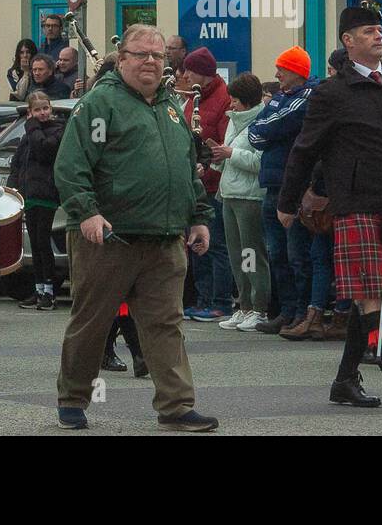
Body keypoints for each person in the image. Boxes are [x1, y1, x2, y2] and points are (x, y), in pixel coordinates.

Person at [52, 24, 216, 432]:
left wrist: (197, 215)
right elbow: (71, 166)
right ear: (121, 58)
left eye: (158, 56)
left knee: (166, 325)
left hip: (164, 239)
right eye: (141, 54)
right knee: (93, 322)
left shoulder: (171, 107)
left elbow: (185, 167)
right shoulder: (98, 104)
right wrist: (86, 212)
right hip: (108, 237)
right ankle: (72, 400)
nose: (150, 62)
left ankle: (176, 407)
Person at [278, 4, 382, 413]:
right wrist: (287, 201)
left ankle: (345, 381)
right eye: (368, 31)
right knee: (371, 296)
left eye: (380, 30)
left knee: (368, 298)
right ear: (348, 41)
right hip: (354, 204)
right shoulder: (331, 93)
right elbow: (305, 149)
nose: (379, 36)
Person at [248, 47, 319, 334]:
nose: (276, 74)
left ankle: (303, 312)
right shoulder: (279, 97)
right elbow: (254, 132)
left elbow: (277, 124)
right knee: (275, 252)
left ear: (296, 71)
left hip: (294, 189)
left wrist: (269, 126)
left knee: (296, 254)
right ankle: (286, 311)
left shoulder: (308, 97)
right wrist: (269, 127)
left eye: (282, 69)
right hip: (272, 186)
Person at [211, 73, 270, 332]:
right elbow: (230, 153)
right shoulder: (234, 121)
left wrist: (230, 153)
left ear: (246, 102)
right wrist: (216, 160)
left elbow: (260, 162)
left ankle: (260, 309)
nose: (230, 105)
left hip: (250, 197)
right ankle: (243, 305)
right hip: (229, 194)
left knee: (251, 254)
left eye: (234, 100)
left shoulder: (262, 122)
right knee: (237, 255)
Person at [182, 46, 234, 322]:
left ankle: (221, 301)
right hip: (196, 184)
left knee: (216, 245)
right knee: (196, 244)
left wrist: (209, 166)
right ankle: (202, 299)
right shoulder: (194, 98)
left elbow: (223, 143)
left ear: (202, 72)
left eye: (190, 70)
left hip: (213, 184)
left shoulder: (223, 99)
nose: (185, 74)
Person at [13, 92, 63, 311]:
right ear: (30, 111)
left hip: (47, 194)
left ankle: (50, 292)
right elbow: (19, 161)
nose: (42, 113)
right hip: (30, 193)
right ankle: (39, 288)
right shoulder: (29, 133)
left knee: (44, 242)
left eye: (46, 108)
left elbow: (44, 149)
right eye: (37, 110)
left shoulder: (58, 129)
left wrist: (32, 125)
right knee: (34, 243)